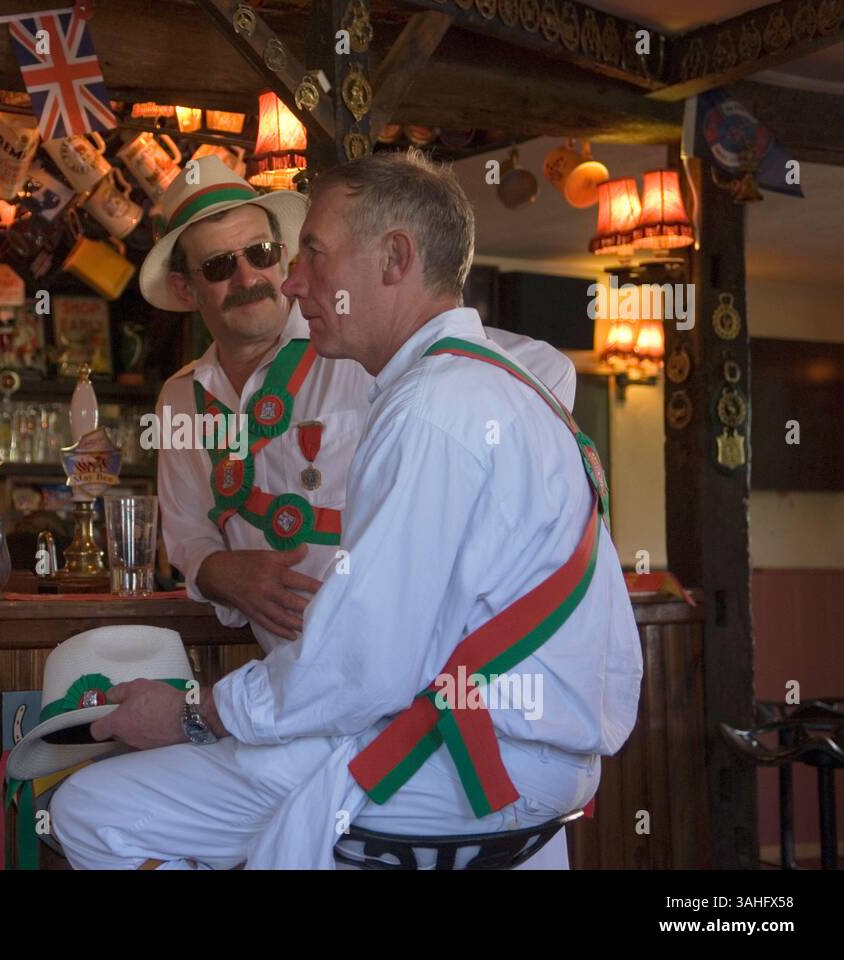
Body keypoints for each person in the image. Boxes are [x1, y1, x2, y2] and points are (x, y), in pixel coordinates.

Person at [50, 149, 642, 869]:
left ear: (394, 259)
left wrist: (189, 714)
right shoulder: (465, 389)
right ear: (189, 287)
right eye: (220, 266)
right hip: (498, 745)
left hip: (454, 749)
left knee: (88, 812)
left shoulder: (433, 407)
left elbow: (363, 662)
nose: (291, 281)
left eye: (307, 255)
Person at [141, 156, 576, 652]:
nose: (249, 279)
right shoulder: (180, 400)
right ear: (184, 288)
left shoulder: (354, 342)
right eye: (219, 266)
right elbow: (187, 537)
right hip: (291, 675)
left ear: (282, 257)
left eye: (261, 253)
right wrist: (224, 575)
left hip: (400, 663)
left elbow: (544, 369)